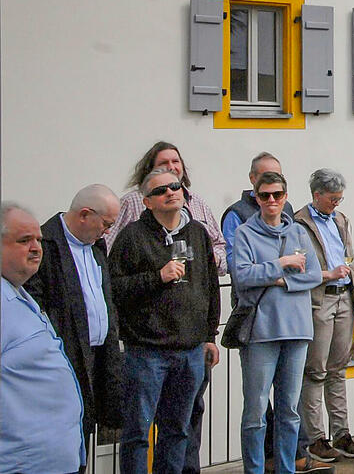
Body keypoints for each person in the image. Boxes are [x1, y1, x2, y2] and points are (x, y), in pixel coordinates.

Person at [109, 168, 221, 473]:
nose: (171, 192)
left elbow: (210, 285)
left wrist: (210, 335)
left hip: (190, 351)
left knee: (177, 430)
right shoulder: (132, 236)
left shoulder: (197, 232)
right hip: (147, 352)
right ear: (147, 202)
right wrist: (157, 277)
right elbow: (115, 289)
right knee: (137, 433)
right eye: (161, 191)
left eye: (175, 186)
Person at [232, 171, 324, 473]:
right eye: (265, 195)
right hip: (262, 331)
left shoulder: (297, 232)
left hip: (297, 329)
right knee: (256, 411)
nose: (271, 201)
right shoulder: (246, 232)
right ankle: (255, 470)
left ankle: (287, 468)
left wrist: (280, 281)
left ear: (285, 197)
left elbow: (312, 275)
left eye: (277, 195)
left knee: (290, 410)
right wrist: (281, 265)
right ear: (256, 198)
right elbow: (243, 276)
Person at [25, 185, 124, 455]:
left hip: (98, 357)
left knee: (84, 441)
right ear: (84, 214)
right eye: (105, 224)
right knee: (66, 443)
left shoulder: (96, 246)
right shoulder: (46, 245)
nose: (107, 231)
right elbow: (38, 307)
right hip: (66, 359)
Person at [0, 203, 87, 474]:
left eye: (38, 239)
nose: (36, 247)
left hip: (51, 459)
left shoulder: (20, 294)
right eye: (24, 240)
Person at [294, 169, 354, 462]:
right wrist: (328, 274)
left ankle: (342, 434)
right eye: (332, 199)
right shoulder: (300, 223)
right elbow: (298, 267)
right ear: (316, 195)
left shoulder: (341, 219)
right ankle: (316, 438)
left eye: (340, 199)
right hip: (319, 299)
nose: (336, 204)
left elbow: (353, 259)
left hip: (344, 299)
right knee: (315, 370)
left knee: (338, 369)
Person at [105, 141, 226, 270]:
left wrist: (213, 259)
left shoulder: (198, 202)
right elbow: (107, 244)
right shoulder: (131, 202)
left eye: (175, 161)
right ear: (150, 169)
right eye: (163, 163)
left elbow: (219, 244)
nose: (171, 167)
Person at [223, 152, 295, 267]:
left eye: (278, 176)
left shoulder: (286, 207)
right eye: (266, 176)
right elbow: (234, 261)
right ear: (252, 178)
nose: (273, 180)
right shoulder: (236, 213)